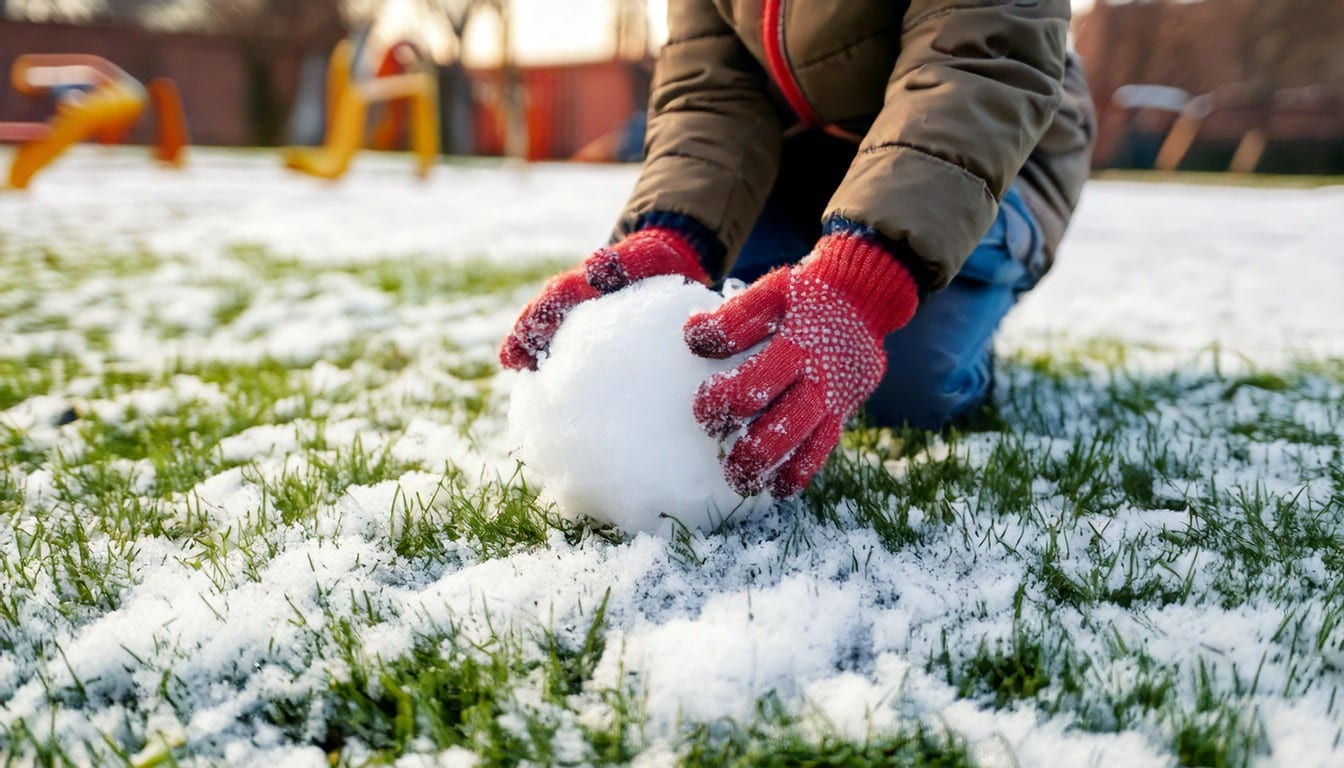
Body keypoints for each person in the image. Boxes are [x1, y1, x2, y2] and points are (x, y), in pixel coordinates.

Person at [500, 0, 1096, 499]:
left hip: (989, 151)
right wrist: (676, 229)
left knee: (911, 389)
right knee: (736, 331)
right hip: (807, 163)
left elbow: (981, 61)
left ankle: (965, 314)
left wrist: (863, 276)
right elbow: (709, 90)